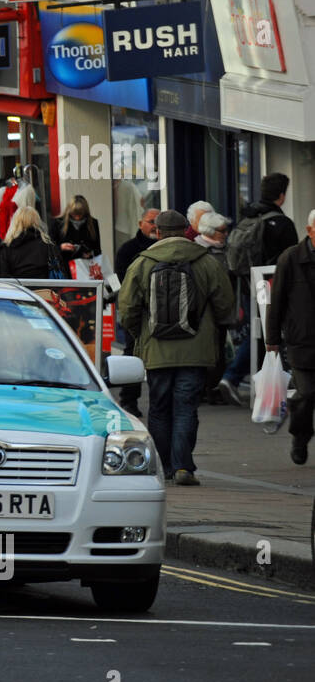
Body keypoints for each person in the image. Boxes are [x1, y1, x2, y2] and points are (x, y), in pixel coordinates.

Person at [118, 210, 235, 486]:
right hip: (195, 350)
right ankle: (184, 466)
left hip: (157, 350)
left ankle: (166, 466)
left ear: (157, 232)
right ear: (186, 231)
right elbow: (225, 306)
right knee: (186, 407)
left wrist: (141, 335)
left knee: (158, 408)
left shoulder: (142, 263)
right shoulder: (205, 261)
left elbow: (127, 309)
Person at [219, 173, 300, 404]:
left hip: (249, 285)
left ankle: (237, 378)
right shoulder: (282, 223)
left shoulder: (249, 216)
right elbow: (291, 260)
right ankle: (234, 377)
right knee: (268, 333)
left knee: (260, 332)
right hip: (272, 286)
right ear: (282, 195)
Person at [265, 208, 315, 465]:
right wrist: (272, 340)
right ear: (309, 231)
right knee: (306, 394)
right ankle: (300, 436)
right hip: (302, 341)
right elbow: (277, 302)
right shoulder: (291, 258)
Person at [114, 208, 159, 416]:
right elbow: (123, 282)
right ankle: (128, 399)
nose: (154, 226)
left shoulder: (163, 248)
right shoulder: (127, 250)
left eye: (158, 223)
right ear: (141, 223)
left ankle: (159, 400)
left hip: (160, 311)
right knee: (133, 355)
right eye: (151, 221)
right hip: (136, 310)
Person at [195, 212, 233, 401]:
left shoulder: (227, 249)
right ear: (209, 232)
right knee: (205, 351)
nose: (226, 234)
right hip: (204, 311)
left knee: (219, 349)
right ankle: (205, 388)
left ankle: (213, 388)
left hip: (222, 308)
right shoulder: (195, 250)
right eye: (222, 231)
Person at [0, 206, 61, 279]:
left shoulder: (7, 247)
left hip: (17, 289)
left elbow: (3, 275)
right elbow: (59, 268)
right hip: (45, 288)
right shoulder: (47, 244)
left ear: (14, 222)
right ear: (37, 221)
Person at [51, 195, 102, 267]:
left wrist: (91, 253)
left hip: (85, 267)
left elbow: (97, 249)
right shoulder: (58, 223)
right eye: (74, 214)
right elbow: (50, 248)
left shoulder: (93, 223)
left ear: (85, 212)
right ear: (69, 211)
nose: (77, 217)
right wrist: (61, 247)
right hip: (65, 266)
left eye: (80, 214)